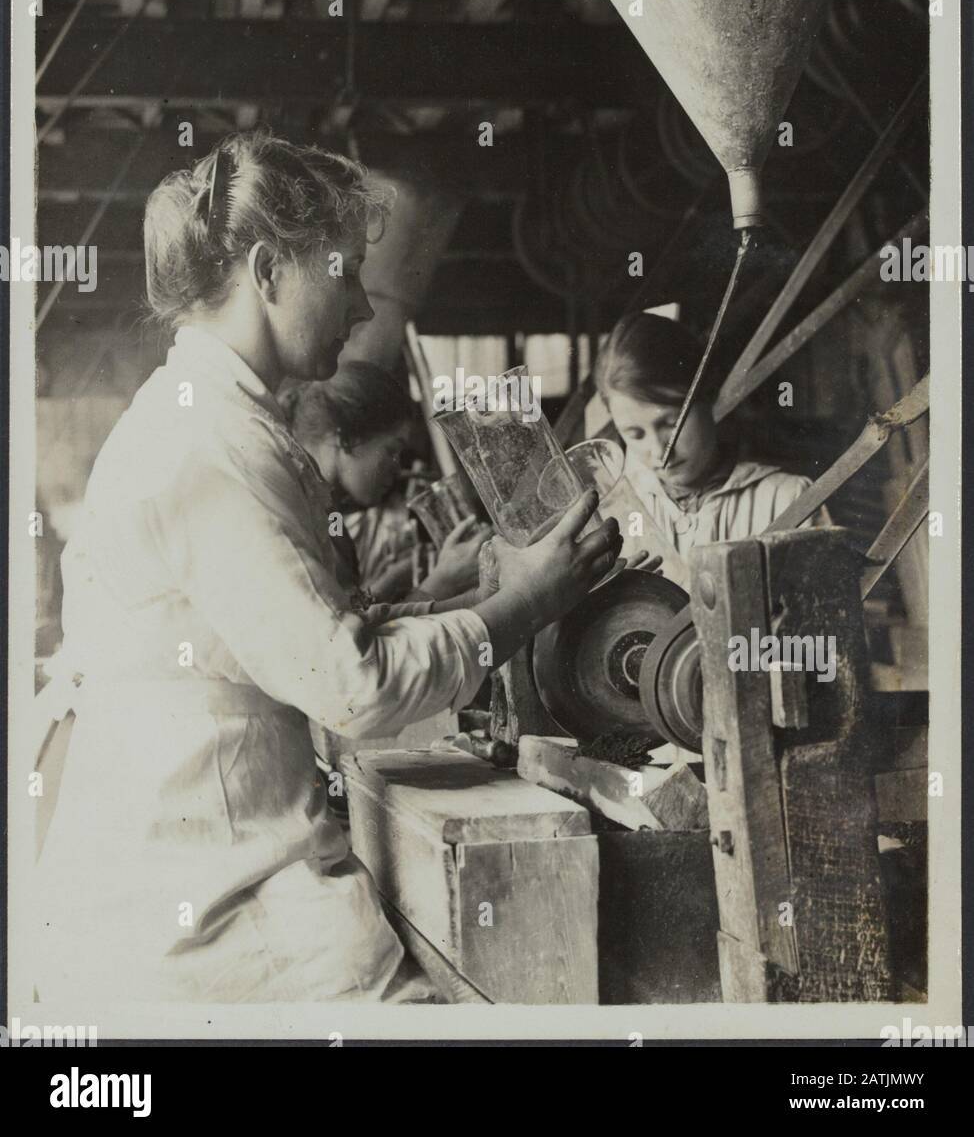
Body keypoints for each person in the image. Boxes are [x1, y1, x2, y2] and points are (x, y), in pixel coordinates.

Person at [34, 129, 621, 1006]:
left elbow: (322, 629)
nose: (360, 308)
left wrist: (481, 595)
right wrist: (530, 602)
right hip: (209, 905)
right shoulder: (210, 447)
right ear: (269, 273)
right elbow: (353, 684)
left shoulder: (215, 418)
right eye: (344, 272)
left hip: (209, 854)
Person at [594, 311, 823, 587]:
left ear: (708, 394)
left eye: (671, 424)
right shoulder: (611, 515)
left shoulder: (787, 501)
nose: (659, 451)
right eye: (635, 434)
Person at [278, 367, 489, 603]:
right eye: (391, 450)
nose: (397, 468)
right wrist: (442, 584)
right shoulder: (305, 514)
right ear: (346, 439)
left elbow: (353, 609)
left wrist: (392, 579)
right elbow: (353, 636)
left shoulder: (329, 513)